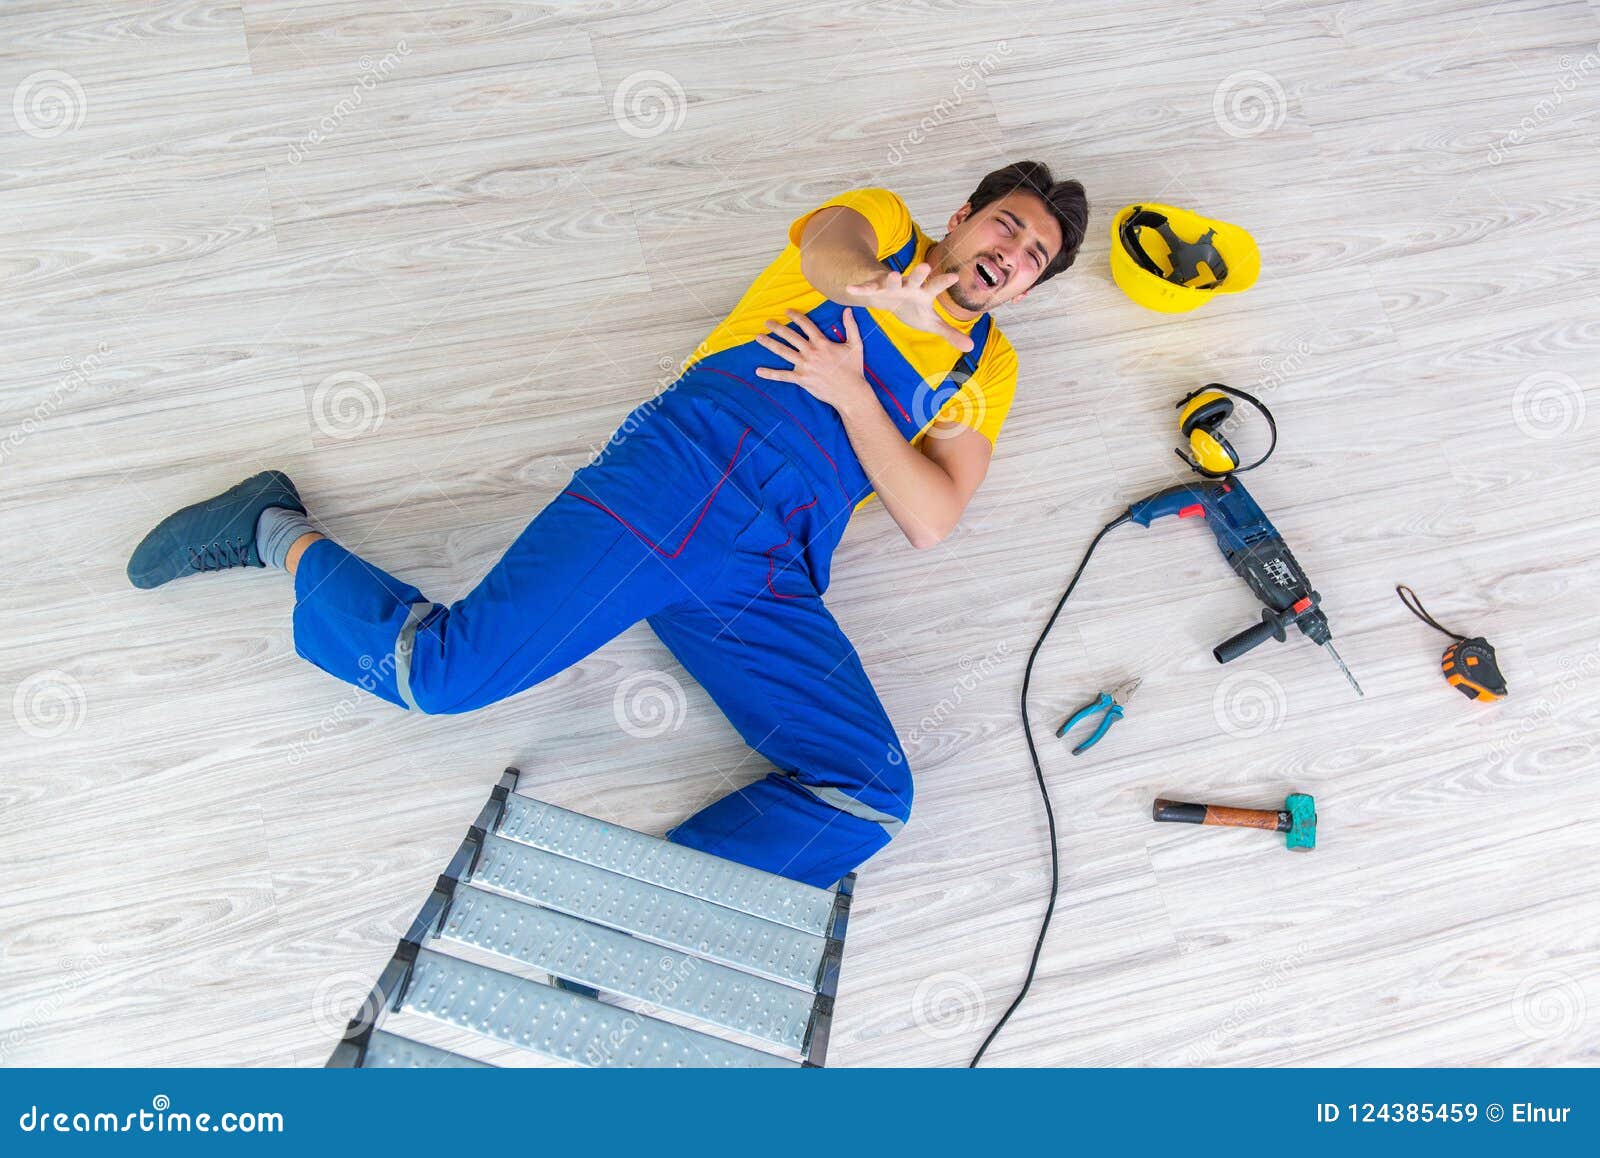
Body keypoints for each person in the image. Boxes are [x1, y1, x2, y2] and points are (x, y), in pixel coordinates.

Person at [126, 160, 1089, 888]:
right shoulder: (882, 227)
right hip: (677, 478)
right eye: (1006, 226)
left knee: (872, 793)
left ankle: (641, 899)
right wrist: (880, 293)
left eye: (1033, 259)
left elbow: (930, 516)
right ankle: (268, 528)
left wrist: (850, 393)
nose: (1011, 255)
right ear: (961, 219)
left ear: (1029, 289)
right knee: (441, 677)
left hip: (768, 567)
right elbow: (823, 252)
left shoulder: (988, 369)